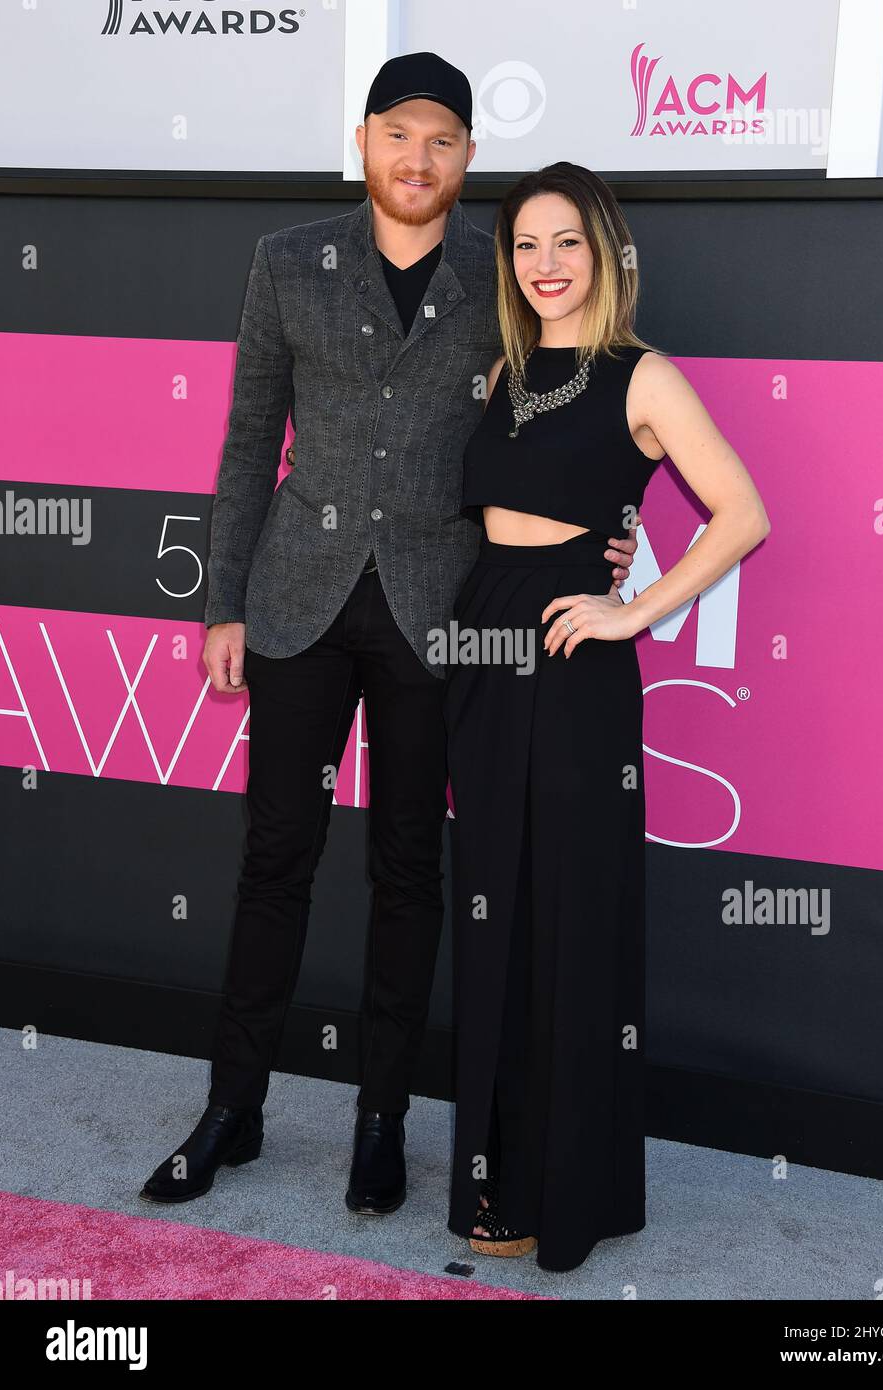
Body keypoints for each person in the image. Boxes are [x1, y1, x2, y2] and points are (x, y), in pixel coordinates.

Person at [139, 57, 639, 1211]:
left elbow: (582, 413)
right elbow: (247, 435)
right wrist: (222, 600)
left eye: (445, 141)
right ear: (365, 140)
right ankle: (233, 1107)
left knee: (413, 870)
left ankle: (382, 1118)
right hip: (297, 601)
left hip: (441, 612)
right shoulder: (285, 263)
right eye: (399, 135)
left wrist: (612, 540)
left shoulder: (507, 274)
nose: (419, 159)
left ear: (470, 159)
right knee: (275, 859)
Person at [444, 162, 771, 1271]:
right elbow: (495, 515)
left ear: (607, 254)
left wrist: (635, 609)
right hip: (485, 650)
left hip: (574, 660)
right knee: (495, 911)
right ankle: (498, 1168)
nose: (545, 265)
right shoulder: (500, 375)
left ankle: (564, 1191)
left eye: (567, 243)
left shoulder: (642, 376)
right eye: (526, 245)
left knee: (564, 916)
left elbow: (743, 514)